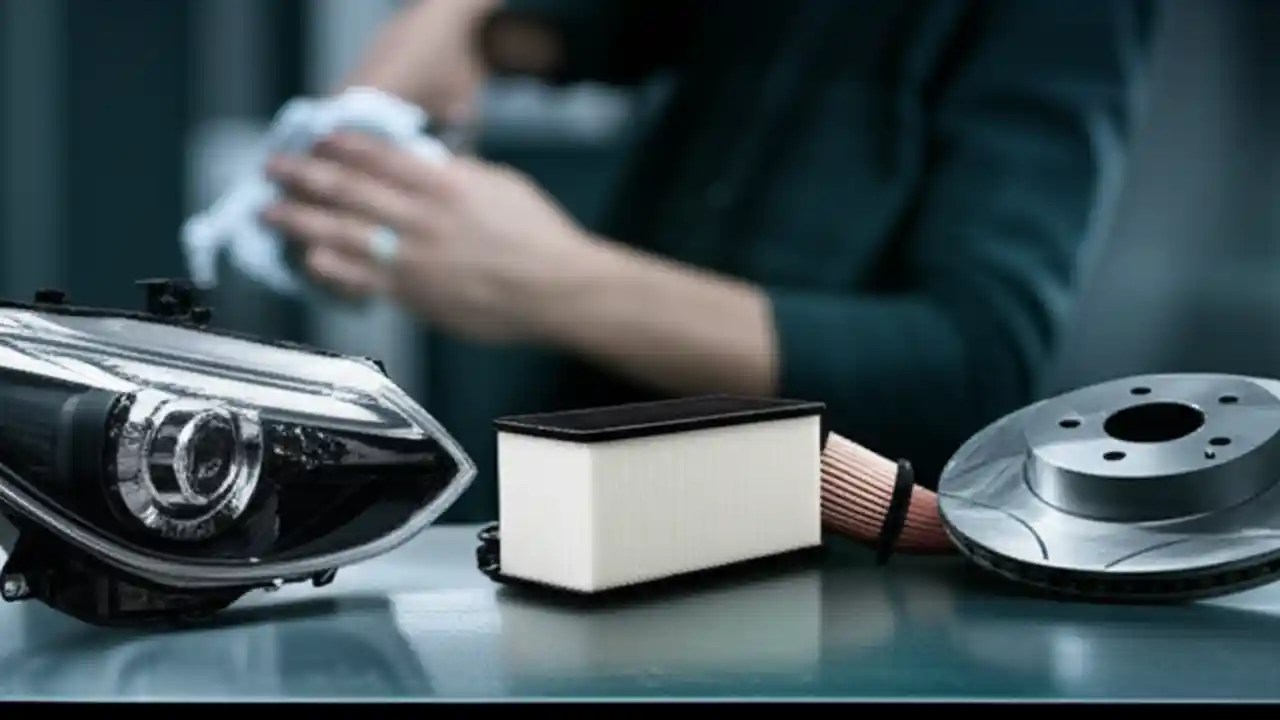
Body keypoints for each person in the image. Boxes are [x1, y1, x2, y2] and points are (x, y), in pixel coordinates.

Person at [260, 0, 1156, 521]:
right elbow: (585, 20)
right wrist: (454, 23)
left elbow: (977, 366)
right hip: (574, 506)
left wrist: (556, 283)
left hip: (821, 581)